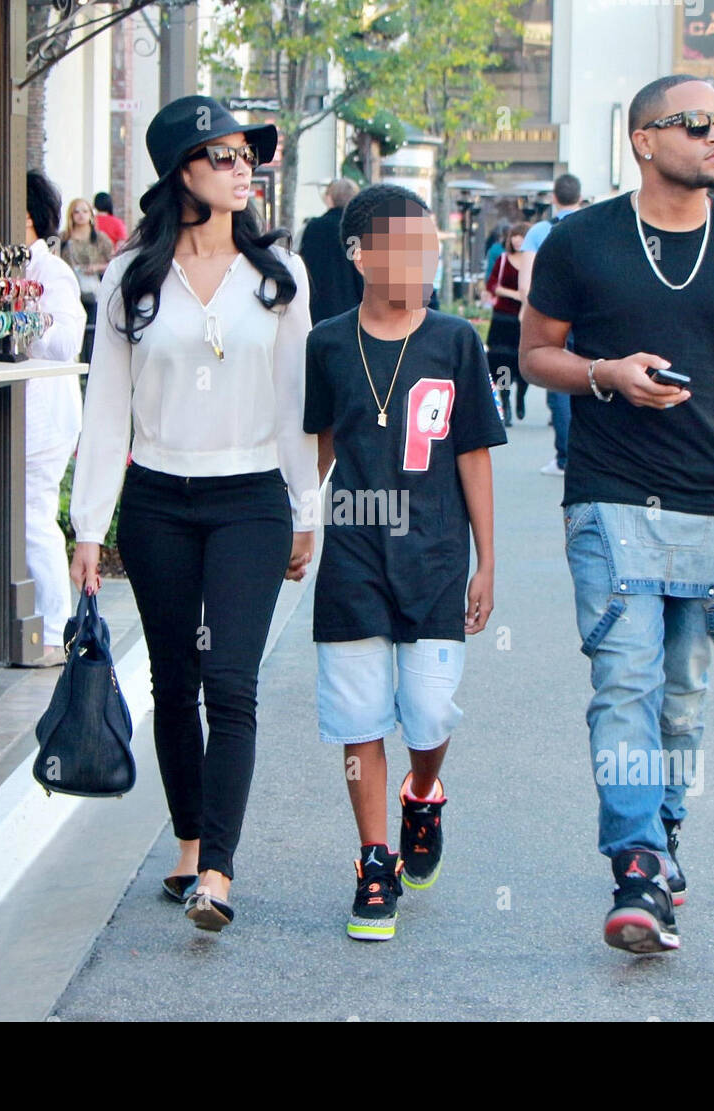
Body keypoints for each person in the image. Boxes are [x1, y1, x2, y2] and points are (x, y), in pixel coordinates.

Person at [520, 75, 714, 954]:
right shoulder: (581, 240)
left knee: (683, 698)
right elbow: (534, 353)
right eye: (697, 124)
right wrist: (605, 373)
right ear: (644, 139)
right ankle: (635, 862)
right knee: (627, 683)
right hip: (609, 497)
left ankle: (663, 830)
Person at [69, 96, 319, 932]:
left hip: (249, 499)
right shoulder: (133, 274)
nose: (243, 167)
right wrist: (89, 526)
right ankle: (185, 841)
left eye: (250, 155)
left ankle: (218, 866)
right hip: (157, 502)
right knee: (171, 683)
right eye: (223, 155)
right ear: (181, 171)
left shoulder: (280, 274)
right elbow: (107, 408)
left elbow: (297, 405)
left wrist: (304, 509)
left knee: (229, 681)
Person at [303, 184, 505, 941]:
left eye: (430, 244)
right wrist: (297, 522)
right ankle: (374, 857)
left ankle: (424, 790)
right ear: (360, 257)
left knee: (427, 711)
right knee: (357, 716)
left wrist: (488, 560)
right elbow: (317, 447)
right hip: (353, 552)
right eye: (406, 244)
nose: (423, 258)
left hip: (437, 553)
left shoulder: (456, 340)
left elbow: (475, 453)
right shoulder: (327, 342)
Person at [20, 171, 89, 667]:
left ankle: (52, 629)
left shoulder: (52, 272)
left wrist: (21, 319)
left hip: (44, 415)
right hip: (22, 412)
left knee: (33, 515)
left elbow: (67, 341)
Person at [516, 172, 582, 475]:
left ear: (553, 198)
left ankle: (564, 457)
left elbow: (526, 284)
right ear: (579, 197)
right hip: (587, 317)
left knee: (560, 382)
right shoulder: (594, 225)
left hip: (552, 316)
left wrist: (531, 313)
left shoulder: (539, 232)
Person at [298, 177, 363, 324]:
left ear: (329, 199)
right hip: (351, 313)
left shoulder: (313, 228)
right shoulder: (359, 230)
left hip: (317, 310)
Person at [484, 221, 529, 425]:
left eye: (522, 236)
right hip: (503, 318)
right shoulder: (503, 259)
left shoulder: (534, 261)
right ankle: (506, 402)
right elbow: (492, 284)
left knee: (523, 362)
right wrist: (515, 294)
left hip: (525, 319)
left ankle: (521, 396)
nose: (517, 240)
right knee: (502, 363)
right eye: (514, 236)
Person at [59, 197, 115, 293]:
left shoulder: (100, 237)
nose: (81, 215)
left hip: (94, 288)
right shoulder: (63, 237)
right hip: (67, 287)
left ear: (91, 214)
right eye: (76, 212)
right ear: (71, 215)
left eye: (85, 211)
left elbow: (113, 262)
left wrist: (96, 267)